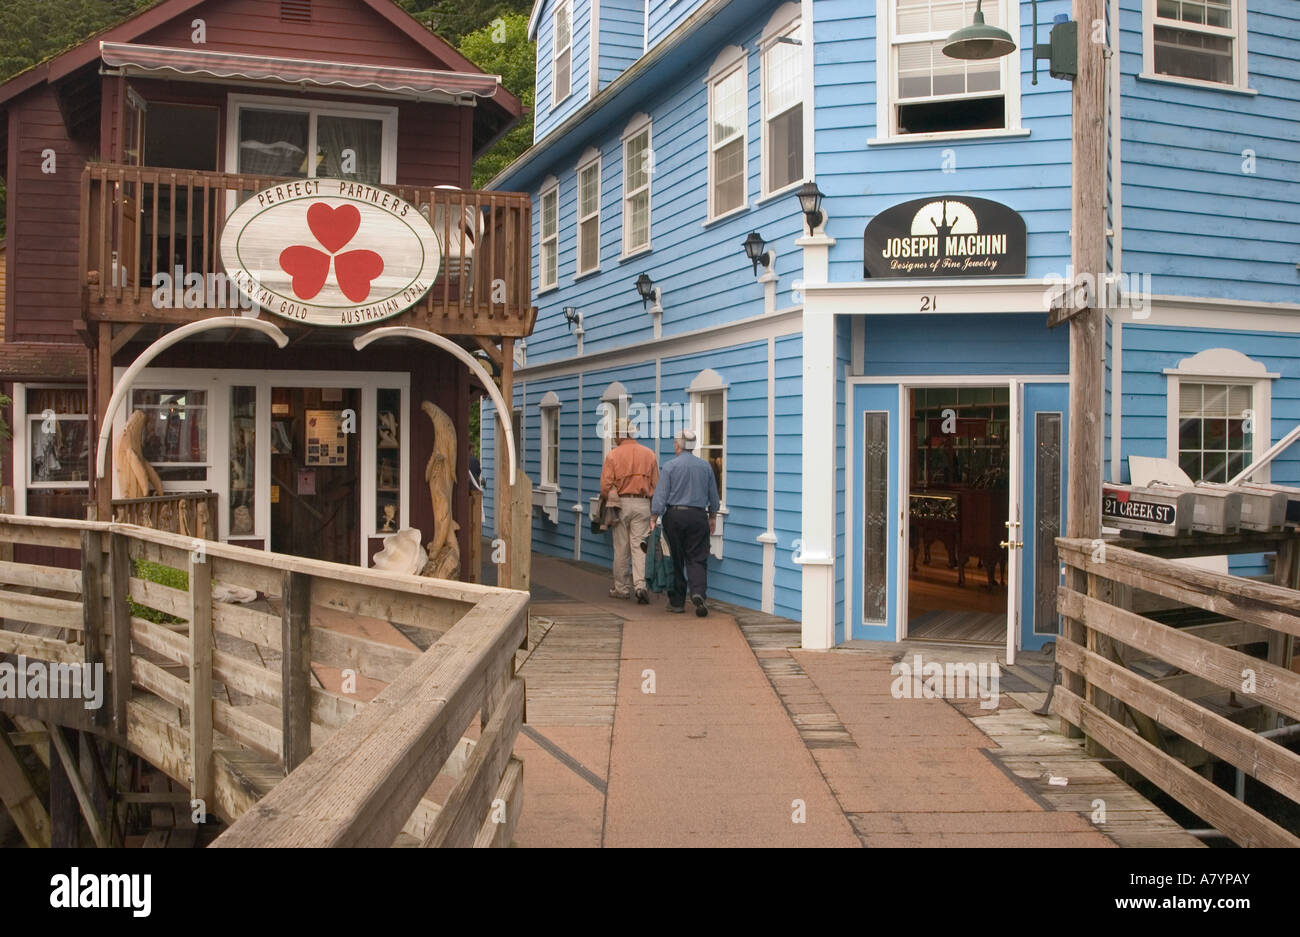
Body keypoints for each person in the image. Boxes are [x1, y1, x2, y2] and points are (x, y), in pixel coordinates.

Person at [651, 429, 720, 616]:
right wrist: (712, 516)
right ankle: (698, 593)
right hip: (698, 517)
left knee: (675, 559)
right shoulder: (705, 467)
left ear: (678, 445)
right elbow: (714, 495)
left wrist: (654, 516)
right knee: (697, 557)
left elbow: (661, 495)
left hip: (675, 516)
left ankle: (677, 603)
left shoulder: (670, 466)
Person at [599, 419, 659, 603]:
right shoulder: (649, 454)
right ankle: (640, 586)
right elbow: (656, 485)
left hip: (620, 505)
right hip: (642, 503)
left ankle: (622, 588)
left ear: (620, 435)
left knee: (621, 548)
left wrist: (611, 494)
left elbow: (605, 486)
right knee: (640, 547)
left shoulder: (613, 455)